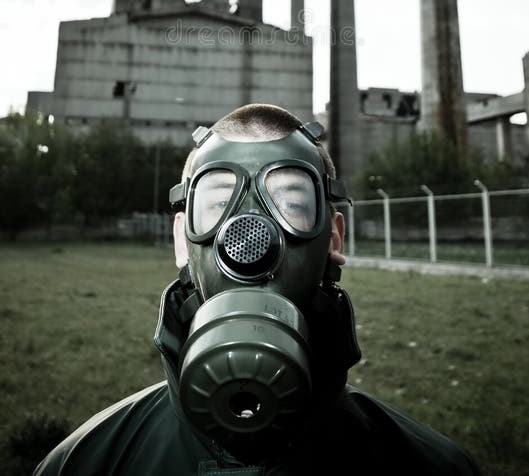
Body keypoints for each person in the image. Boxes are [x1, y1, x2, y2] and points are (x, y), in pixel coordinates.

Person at [34, 103, 482, 475]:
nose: (248, 237)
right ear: (181, 240)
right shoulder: (81, 463)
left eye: (290, 203)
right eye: (218, 202)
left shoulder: (432, 467)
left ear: (334, 238)